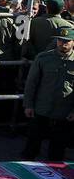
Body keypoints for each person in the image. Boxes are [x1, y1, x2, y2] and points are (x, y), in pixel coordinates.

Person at [22, 24, 74, 161]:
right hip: (41, 109)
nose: (63, 43)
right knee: (31, 147)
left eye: (67, 41)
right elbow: (31, 83)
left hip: (64, 112)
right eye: (60, 40)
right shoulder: (43, 58)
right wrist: (28, 104)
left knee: (57, 152)